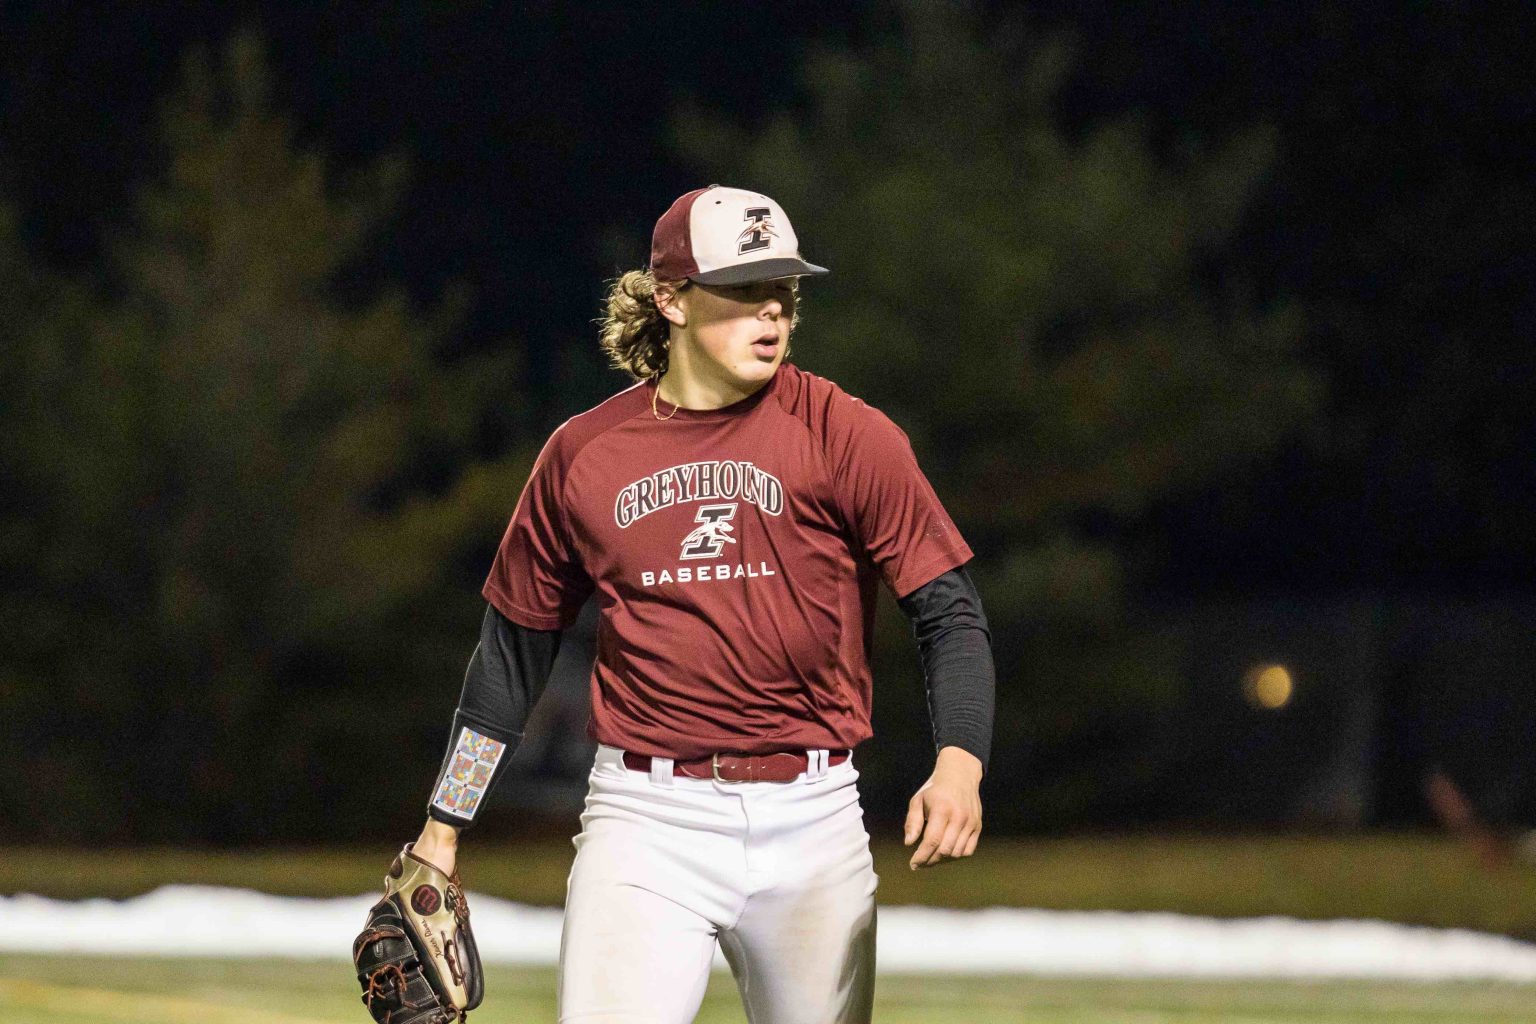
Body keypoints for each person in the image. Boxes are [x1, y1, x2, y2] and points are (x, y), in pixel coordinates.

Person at [411, 185, 995, 1023]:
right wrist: (444, 822)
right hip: (647, 821)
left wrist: (961, 761)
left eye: (784, 292)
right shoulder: (585, 455)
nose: (771, 313)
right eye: (743, 290)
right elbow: (512, 653)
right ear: (671, 299)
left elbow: (950, 611)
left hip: (815, 817)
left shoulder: (849, 435)